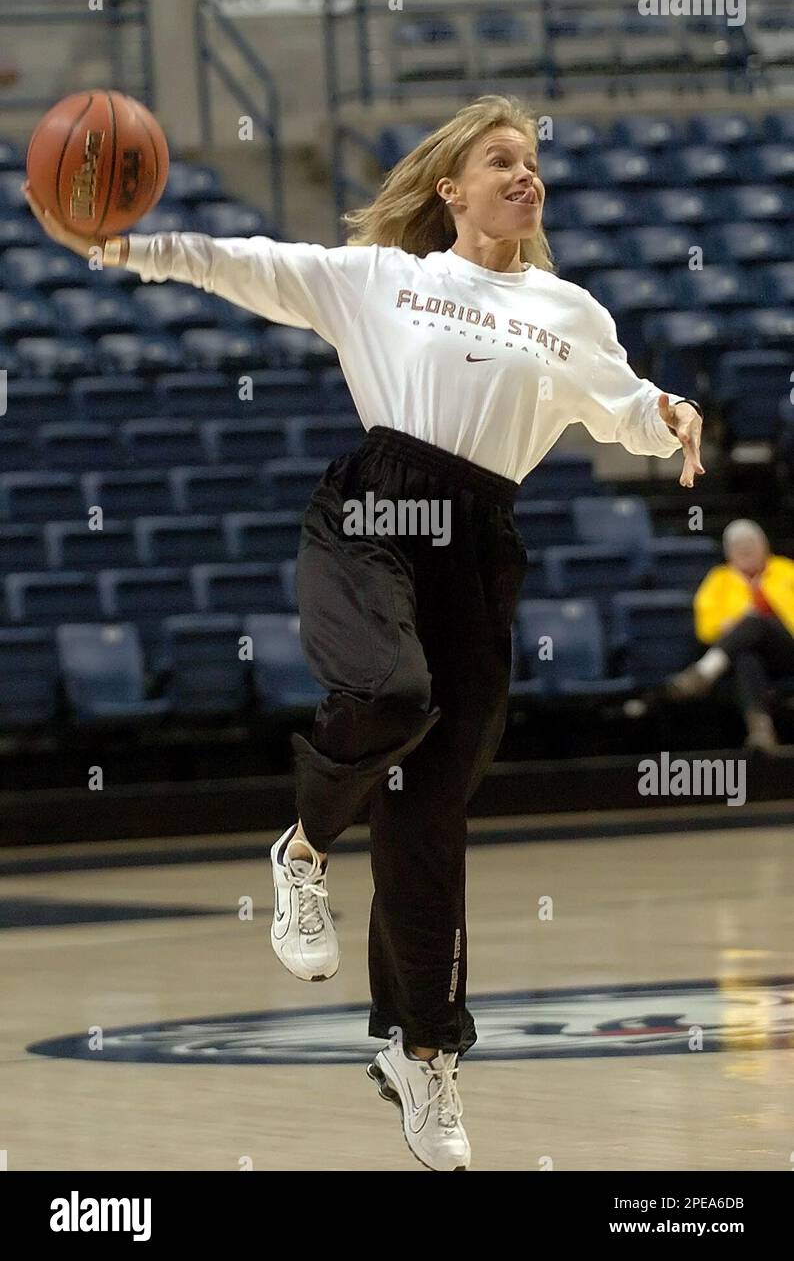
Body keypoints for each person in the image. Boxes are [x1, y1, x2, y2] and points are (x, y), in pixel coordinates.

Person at [24, 93, 704, 1172]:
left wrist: (664, 413)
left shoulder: (567, 308)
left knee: (429, 821)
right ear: (450, 189)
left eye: (531, 163)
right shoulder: (386, 278)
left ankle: (419, 1051)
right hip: (373, 513)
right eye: (500, 161)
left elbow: (614, 402)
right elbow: (236, 261)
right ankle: (301, 849)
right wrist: (117, 247)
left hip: (478, 544)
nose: (524, 176)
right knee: (386, 693)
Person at [668, 519, 794, 751]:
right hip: (747, 651)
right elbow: (705, 628)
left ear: (764, 546)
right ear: (728, 552)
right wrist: (725, 625)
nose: (744, 549)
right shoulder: (718, 580)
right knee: (746, 656)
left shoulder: (787, 571)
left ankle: (705, 671)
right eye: (737, 545)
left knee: (754, 622)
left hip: (787, 646)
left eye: (750, 543)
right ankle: (760, 730)